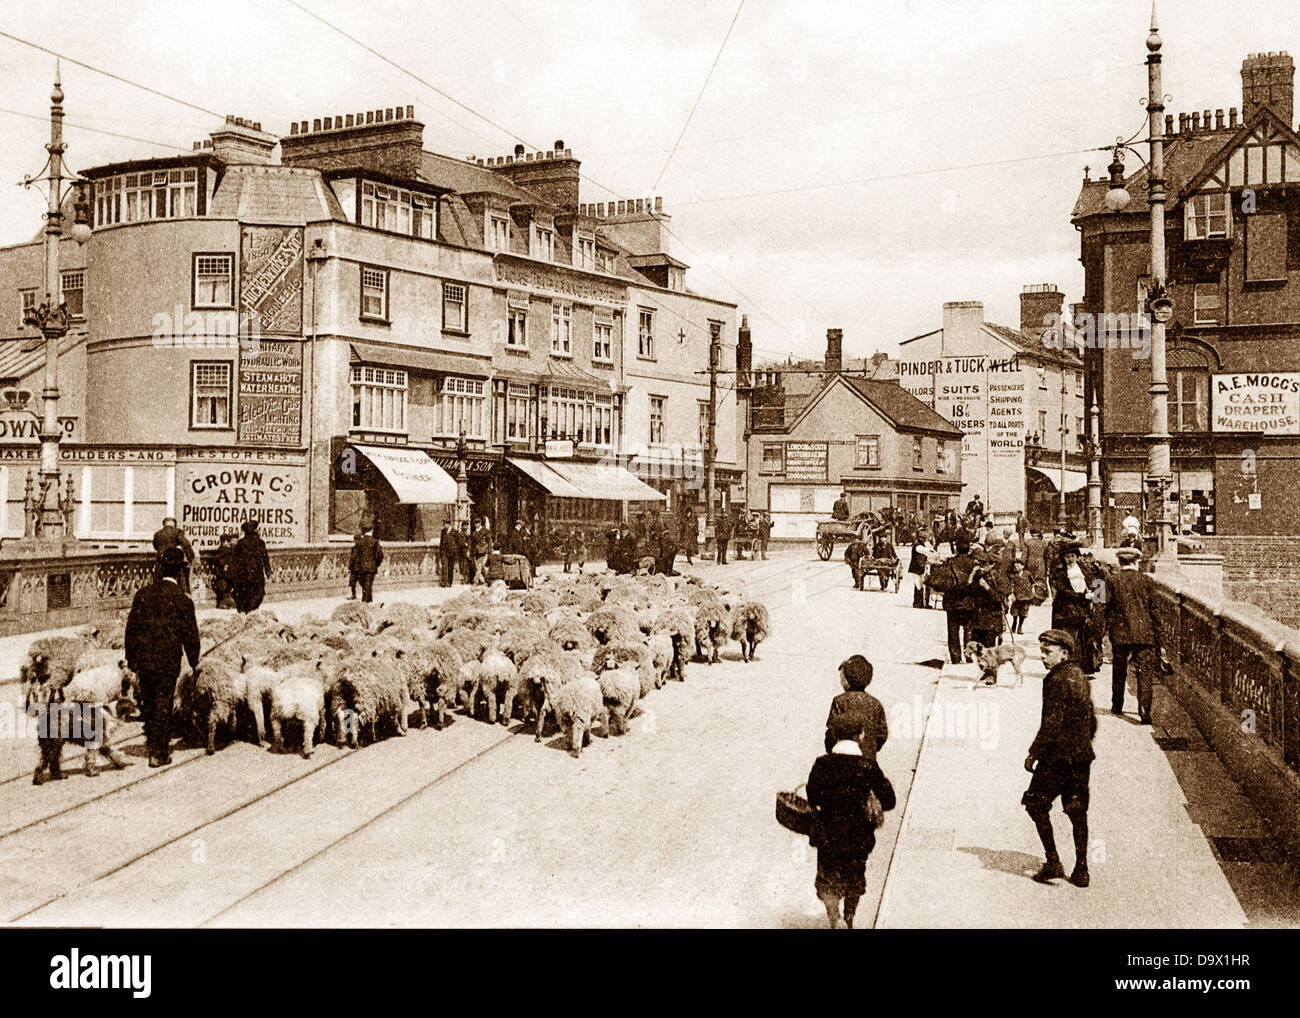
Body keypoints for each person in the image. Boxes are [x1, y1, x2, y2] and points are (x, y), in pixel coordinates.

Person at [807, 712, 897, 929]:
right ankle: (848, 918)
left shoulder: (822, 764)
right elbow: (889, 800)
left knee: (828, 879)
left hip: (828, 835)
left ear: (835, 736)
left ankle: (834, 919)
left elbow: (813, 796)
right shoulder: (867, 767)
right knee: (854, 879)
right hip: (858, 838)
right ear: (861, 736)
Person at [1023, 628, 1096, 887]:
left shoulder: (1055, 680)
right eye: (1041, 650)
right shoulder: (1080, 677)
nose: (1042, 656)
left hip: (1056, 759)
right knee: (1077, 811)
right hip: (1081, 757)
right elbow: (1092, 720)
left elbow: (1051, 724)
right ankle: (1082, 869)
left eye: (1047, 651)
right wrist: (1082, 743)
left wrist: (1034, 753)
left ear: (1063, 653)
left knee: (1035, 803)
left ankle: (1053, 861)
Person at [125, 546, 201, 768]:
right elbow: (191, 635)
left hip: (144, 660)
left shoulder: (143, 595)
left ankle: (152, 743)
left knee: (148, 701)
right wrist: (195, 662)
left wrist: (131, 659)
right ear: (180, 572)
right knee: (163, 702)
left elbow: (131, 629)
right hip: (168, 661)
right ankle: (159, 752)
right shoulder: (183, 601)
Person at [1104, 546, 1162, 723]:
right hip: (1144, 634)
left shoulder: (1111, 580)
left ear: (1120, 562)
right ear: (1136, 561)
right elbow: (1156, 611)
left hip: (1120, 633)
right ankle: (1144, 712)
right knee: (1144, 673)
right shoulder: (1147, 581)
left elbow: (1102, 606)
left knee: (1119, 669)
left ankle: (1117, 704)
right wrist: (1159, 636)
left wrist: (1103, 632)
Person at [1049, 540, 1102, 675]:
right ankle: (1070, 667)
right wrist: (1082, 597)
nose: (1070, 559)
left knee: (1085, 637)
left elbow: (1097, 583)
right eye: (1067, 557)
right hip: (1066, 608)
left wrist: (1094, 597)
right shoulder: (1060, 573)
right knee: (1070, 638)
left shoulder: (1085, 569)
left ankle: (1085, 668)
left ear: (1077, 557)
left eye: (1072, 556)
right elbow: (1063, 591)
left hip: (1084, 607)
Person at [824, 655, 888, 763]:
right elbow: (881, 734)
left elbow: (831, 731)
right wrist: (870, 748)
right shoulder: (876, 704)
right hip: (868, 761)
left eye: (842, 678)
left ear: (848, 680)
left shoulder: (839, 701)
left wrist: (832, 751)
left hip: (842, 760)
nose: (841, 682)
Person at [930, 537, 977, 664]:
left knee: (953, 630)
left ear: (956, 549)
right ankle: (969, 655)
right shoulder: (973, 564)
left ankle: (955, 657)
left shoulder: (950, 562)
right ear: (968, 549)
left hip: (951, 601)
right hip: (968, 601)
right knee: (968, 629)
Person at [968, 548, 1012, 649]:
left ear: (992, 565)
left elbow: (1000, 598)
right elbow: (969, 591)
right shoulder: (978, 576)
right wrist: (972, 575)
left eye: (983, 564)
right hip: (978, 619)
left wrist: (987, 587)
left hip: (992, 619)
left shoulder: (1000, 578)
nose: (981, 567)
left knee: (988, 650)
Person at [232, 520, 271, 614]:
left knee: (244, 592)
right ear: (255, 530)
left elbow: (235, 560)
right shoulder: (260, 542)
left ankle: (245, 610)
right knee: (257, 592)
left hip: (243, 573)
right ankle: (252, 610)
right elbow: (265, 557)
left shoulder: (241, 542)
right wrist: (268, 571)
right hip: (257, 573)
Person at [152, 516, 195, 592]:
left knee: (159, 587)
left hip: (161, 563)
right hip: (174, 563)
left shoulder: (157, 534)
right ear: (174, 525)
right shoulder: (177, 532)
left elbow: (155, 546)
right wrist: (191, 558)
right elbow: (186, 545)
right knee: (179, 586)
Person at [349, 526, 383, 603]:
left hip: (361, 568)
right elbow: (380, 555)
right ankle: (366, 604)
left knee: (365, 587)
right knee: (368, 587)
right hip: (371, 568)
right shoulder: (374, 542)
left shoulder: (359, 543)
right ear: (371, 531)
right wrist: (376, 564)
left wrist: (357, 566)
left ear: (363, 531)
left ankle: (367, 603)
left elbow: (354, 556)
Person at [208, 531, 239, 610]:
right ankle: (222, 604)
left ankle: (227, 603)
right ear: (223, 542)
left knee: (228, 588)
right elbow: (216, 559)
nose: (229, 543)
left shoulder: (228, 549)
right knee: (223, 588)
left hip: (228, 573)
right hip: (222, 573)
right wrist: (223, 564)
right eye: (227, 541)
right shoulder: (222, 550)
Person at [1007, 558, 1035, 635]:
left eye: (1018, 566)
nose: (1016, 567)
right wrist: (1012, 594)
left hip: (1027, 596)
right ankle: (1014, 623)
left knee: (1024, 611)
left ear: (1022, 566)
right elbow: (1011, 586)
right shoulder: (1013, 576)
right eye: (1015, 566)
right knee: (1015, 611)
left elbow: (1033, 583)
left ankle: (1020, 627)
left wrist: (1033, 590)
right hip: (1017, 596)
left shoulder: (1028, 574)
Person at [907, 531, 932, 608]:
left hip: (919, 568)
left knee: (920, 585)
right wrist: (932, 551)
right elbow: (924, 550)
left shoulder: (921, 545)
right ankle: (917, 603)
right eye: (921, 538)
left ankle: (920, 603)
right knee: (918, 585)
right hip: (915, 569)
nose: (923, 539)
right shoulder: (917, 546)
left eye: (923, 538)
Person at [472, 517, 493, 585]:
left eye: (477, 523)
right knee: (478, 566)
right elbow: (473, 543)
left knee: (483, 566)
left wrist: (489, 550)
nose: (476, 524)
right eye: (475, 523)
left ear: (480, 523)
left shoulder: (485, 531)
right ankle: (483, 580)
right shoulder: (474, 532)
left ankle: (478, 580)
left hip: (484, 551)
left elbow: (489, 541)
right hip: (477, 551)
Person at [438, 521, 459, 587]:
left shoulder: (454, 532)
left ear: (449, 524)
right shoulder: (443, 532)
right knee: (444, 567)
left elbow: (458, 543)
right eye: (444, 524)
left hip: (452, 552)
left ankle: (449, 582)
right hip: (444, 552)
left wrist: (456, 552)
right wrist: (441, 551)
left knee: (450, 567)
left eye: (446, 524)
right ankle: (444, 582)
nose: (445, 525)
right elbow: (441, 542)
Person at [347, 530, 364, 599]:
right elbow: (352, 558)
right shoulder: (353, 548)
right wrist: (349, 568)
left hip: (360, 568)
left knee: (362, 583)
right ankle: (353, 594)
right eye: (355, 540)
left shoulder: (363, 549)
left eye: (358, 540)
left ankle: (365, 594)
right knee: (352, 582)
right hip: (354, 568)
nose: (356, 542)